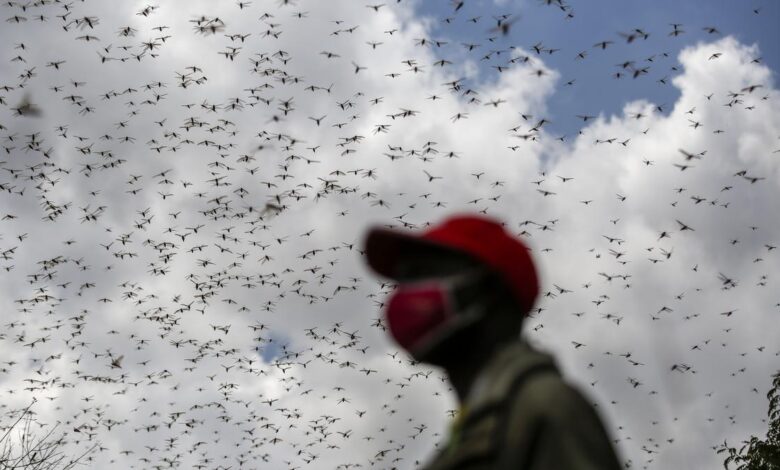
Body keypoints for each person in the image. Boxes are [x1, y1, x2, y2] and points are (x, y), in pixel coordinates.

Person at [364, 214, 622, 469]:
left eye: (421, 274)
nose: (402, 295)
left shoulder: (543, 407)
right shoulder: (469, 440)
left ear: (488, 289)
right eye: (403, 279)